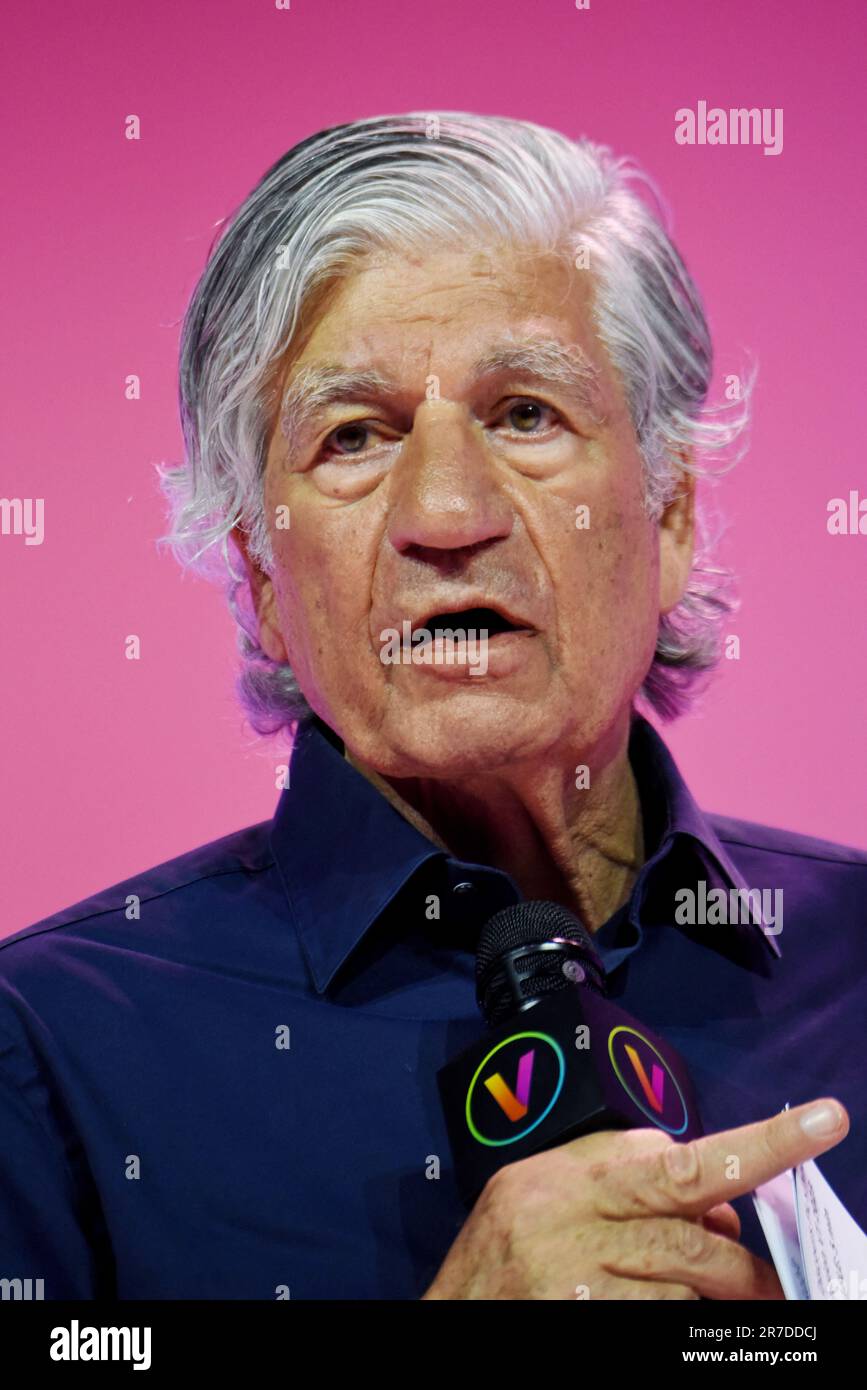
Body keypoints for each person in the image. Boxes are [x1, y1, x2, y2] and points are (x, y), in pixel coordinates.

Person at [1, 113, 863, 1301]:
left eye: (526, 415)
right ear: (258, 571)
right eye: (355, 437)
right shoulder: (45, 1052)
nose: (448, 513)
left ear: (669, 517)